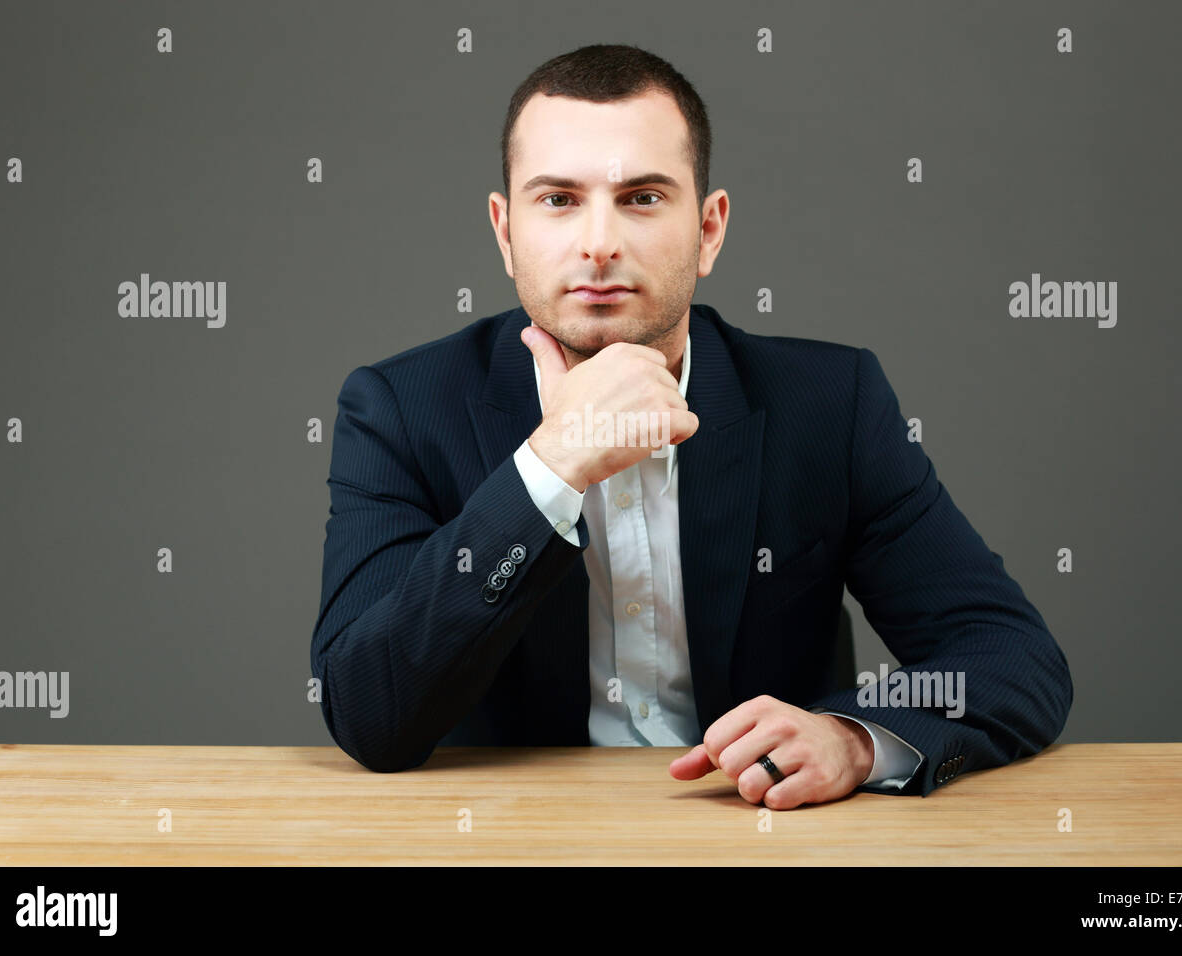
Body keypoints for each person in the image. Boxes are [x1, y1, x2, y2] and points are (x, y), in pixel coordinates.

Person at [310, 43, 1072, 808]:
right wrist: (551, 467)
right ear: (505, 232)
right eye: (558, 199)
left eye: (642, 197)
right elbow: (370, 710)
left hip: (764, 842)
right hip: (515, 843)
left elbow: (1012, 654)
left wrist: (853, 739)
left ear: (709, 230)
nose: (599, 243)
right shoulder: (400, 409)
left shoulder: (831, 402)